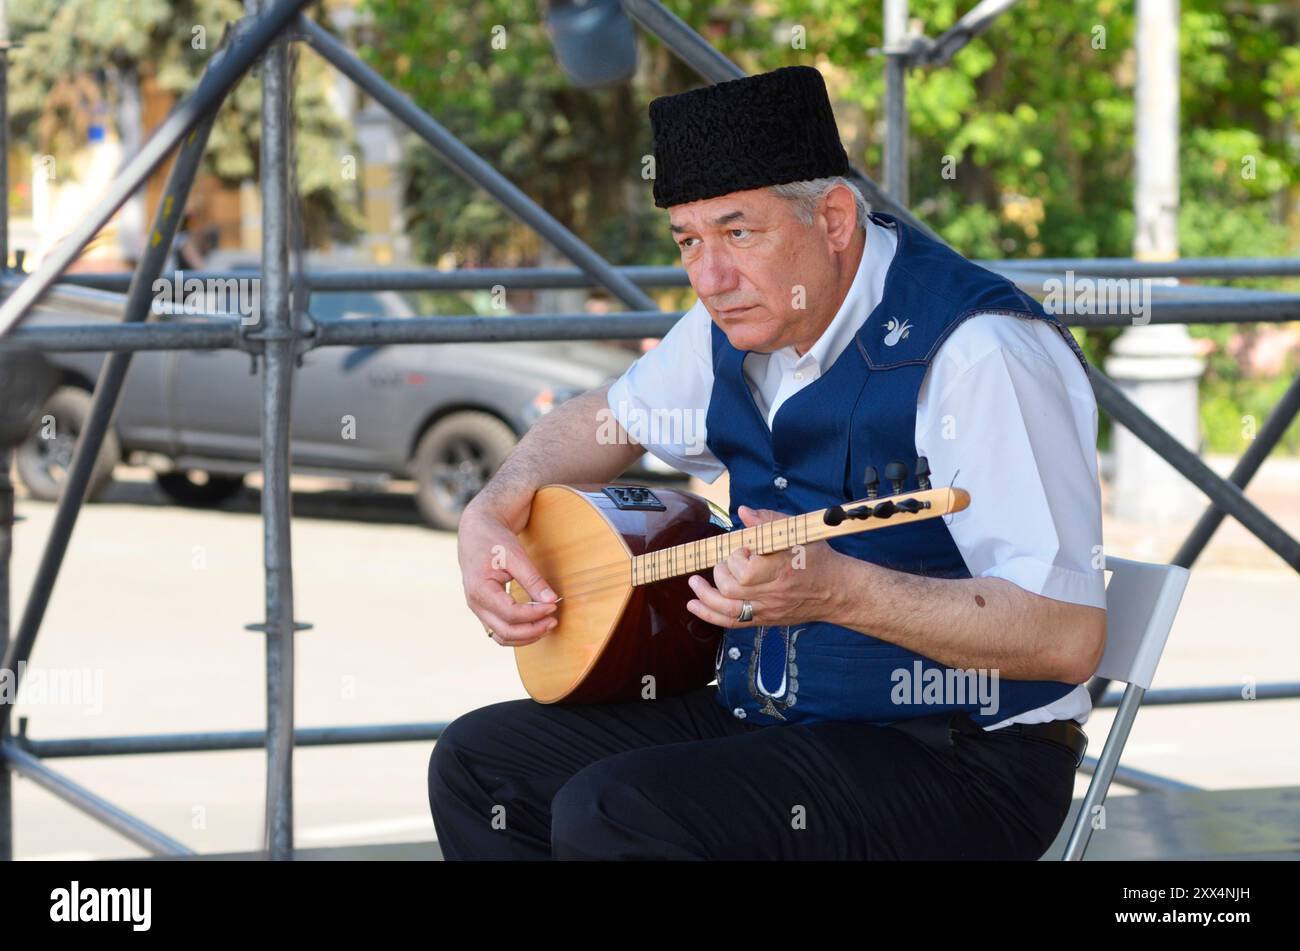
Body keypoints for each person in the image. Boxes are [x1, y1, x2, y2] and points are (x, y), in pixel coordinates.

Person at [430, 65, 1107, 860]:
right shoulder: (736, 313)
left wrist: (837, 591)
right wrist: (494, 506)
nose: (710, 277)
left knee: (615, 811)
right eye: (689, 240)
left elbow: (1066, 635)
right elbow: (611, 418)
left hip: (956, 755)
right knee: (483, 765)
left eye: (738, 231)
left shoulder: (979, 352)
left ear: (833, 218)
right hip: (776, 715)